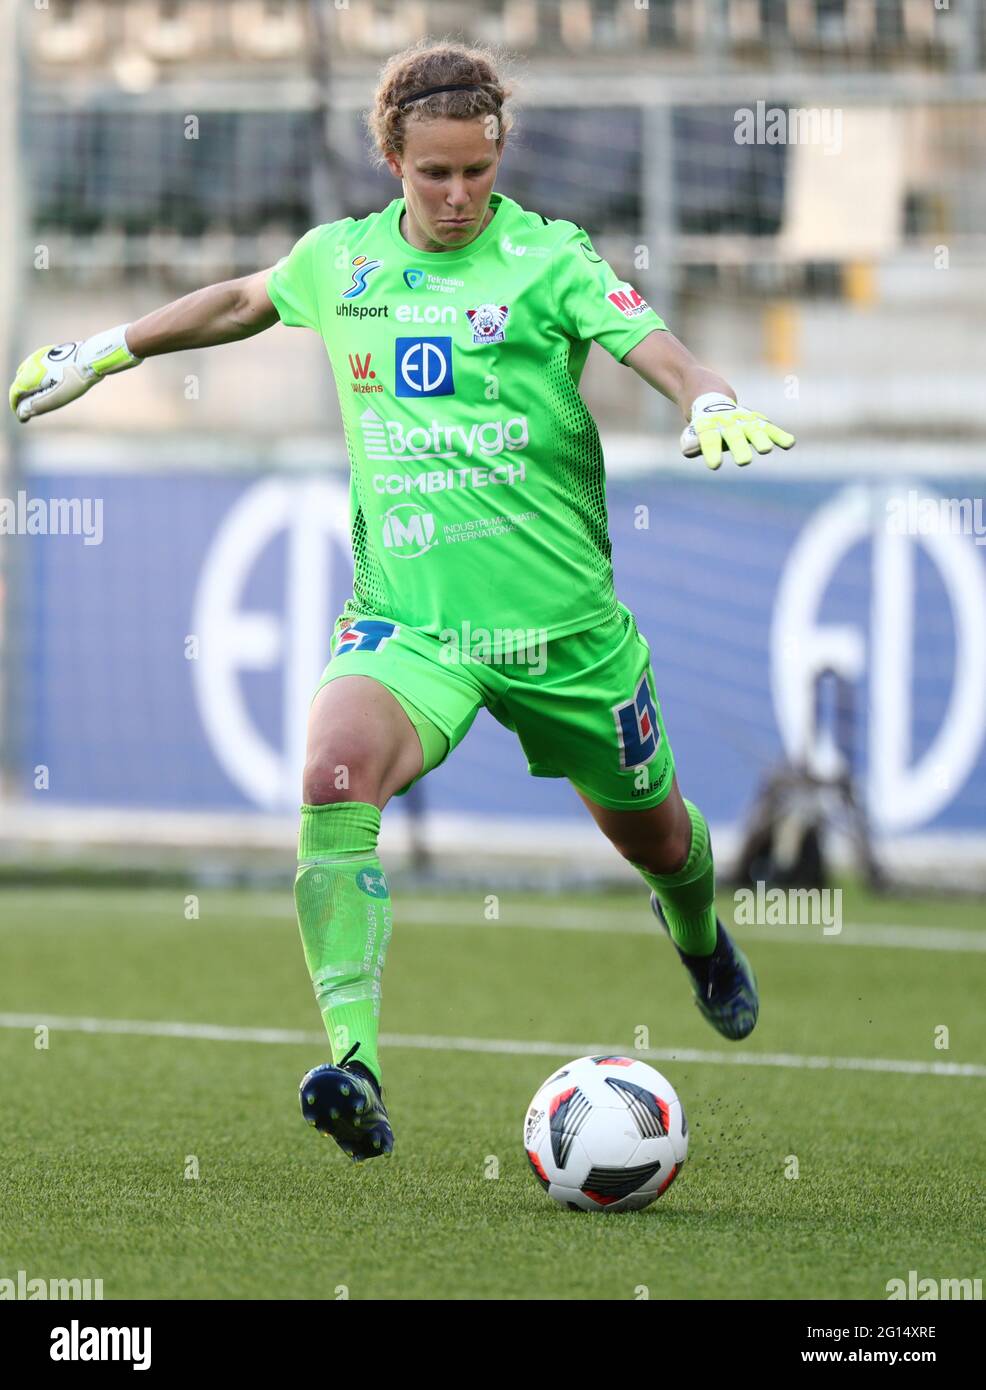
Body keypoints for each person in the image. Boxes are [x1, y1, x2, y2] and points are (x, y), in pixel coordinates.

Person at [9, 40, 795, 1165]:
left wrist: (708, 398)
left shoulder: (547, 260)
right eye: (434, 173)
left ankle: (697, 932)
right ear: (391, 159)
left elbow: (664, 351)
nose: (460, 194)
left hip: (562, 633)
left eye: (476, 169)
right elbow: (242, 297)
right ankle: (357, 1064)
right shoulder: (341, 265)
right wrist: (102, 350)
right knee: (331, 778)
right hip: (409, 627)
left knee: (659, 836)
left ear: (498, 154)